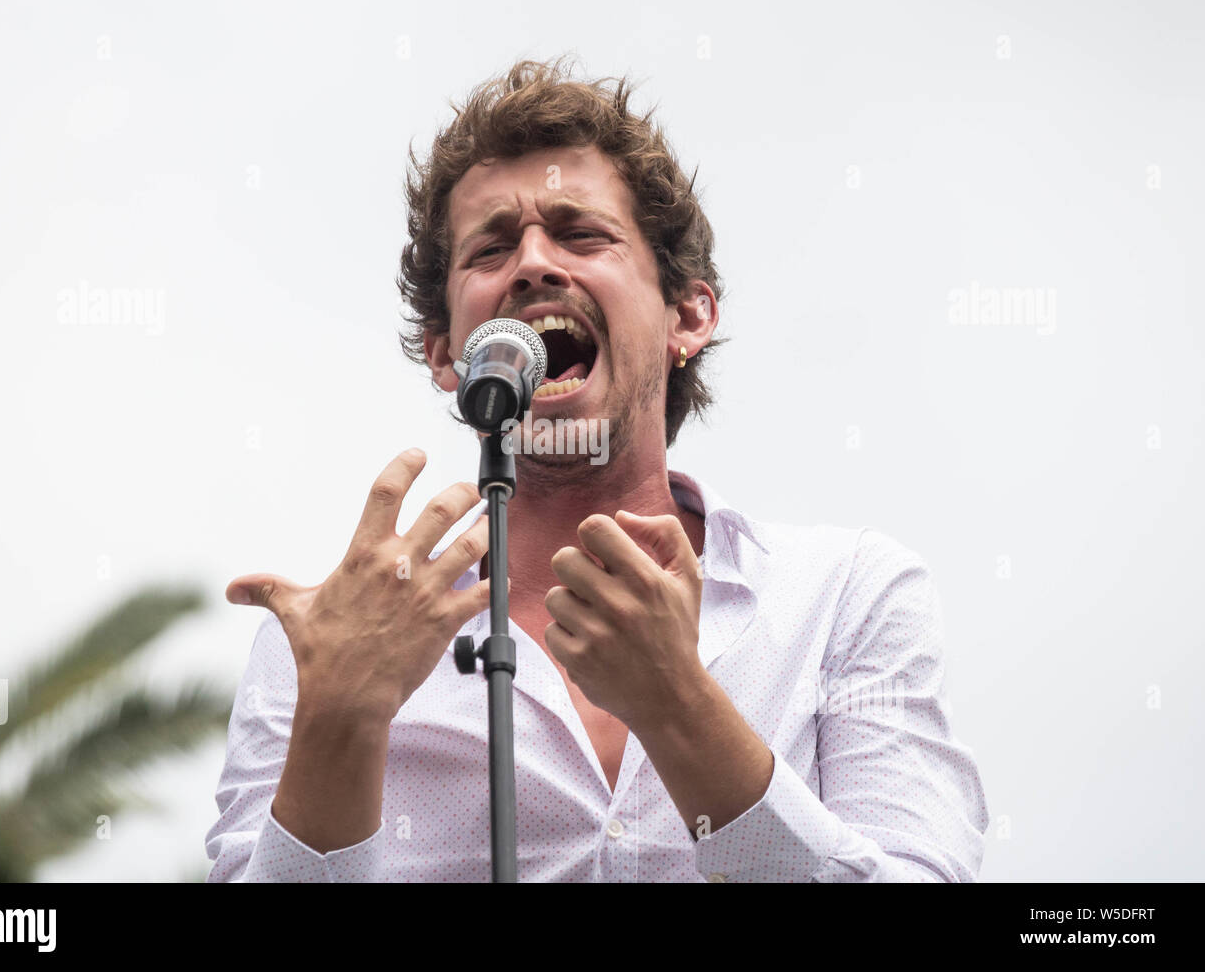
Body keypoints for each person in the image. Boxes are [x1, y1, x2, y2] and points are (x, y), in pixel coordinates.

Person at [204, 55, 989, 882]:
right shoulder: (327, 640)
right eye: (491, 249)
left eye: (581, 234)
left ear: (689, 314)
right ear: (444, 353)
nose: (535, 264)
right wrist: (339, 721)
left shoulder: (843, 597)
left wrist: (677, 706)